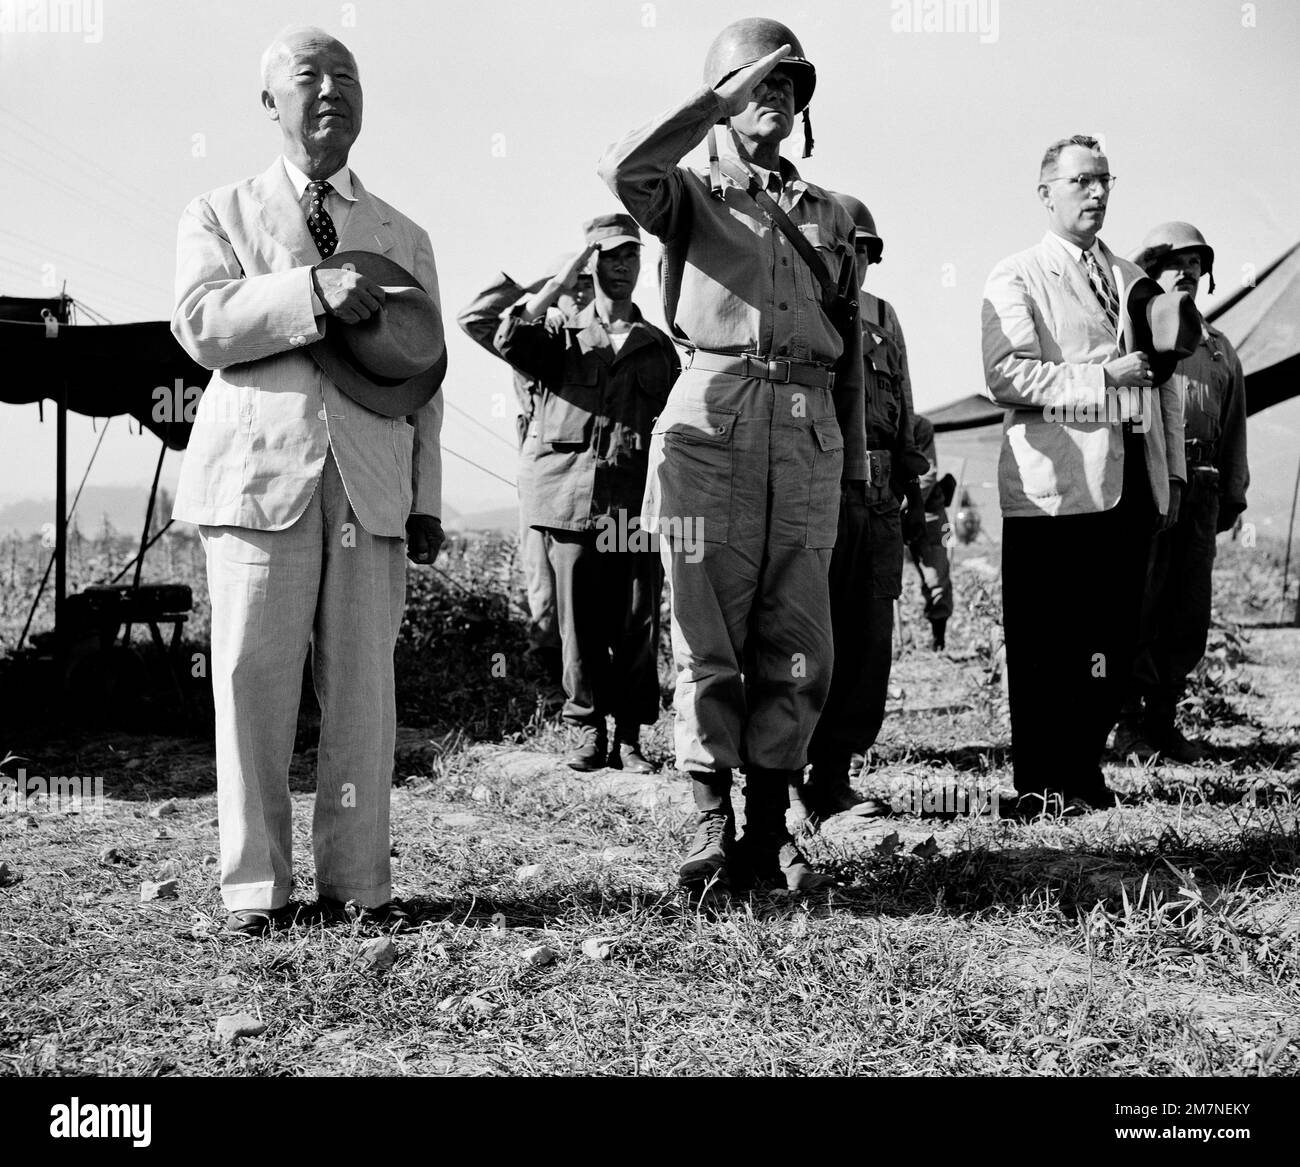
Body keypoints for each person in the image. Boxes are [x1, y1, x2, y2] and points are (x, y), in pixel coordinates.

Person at [171, 27, 446, 934]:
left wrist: (427, 498)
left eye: (349, 76)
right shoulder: (219, 213)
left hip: (370, 487)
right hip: (257, 482)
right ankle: (256, 888)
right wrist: (312, 292)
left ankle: (359, 884)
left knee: (365, 689)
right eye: (311, 76)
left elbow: (424, 379)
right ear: (269, 103)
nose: (333, 90)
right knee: (251, 682)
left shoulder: (405, 235)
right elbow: (203, 322)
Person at [599, 17, 864, 891]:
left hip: (810, 423)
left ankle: (767, 823)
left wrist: (855, 467)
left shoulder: (831, 215)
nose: (780, 94)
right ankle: (708, 818)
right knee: (704, 625)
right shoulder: (686, 193)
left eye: (793, 83)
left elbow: (850, 354)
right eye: (762, 80)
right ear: (723, 94)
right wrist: (709, 105)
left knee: (798, 633)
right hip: (712, 416)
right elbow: (624, 168)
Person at [981, 134, 1185, 818]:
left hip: (1128, 486)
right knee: (1046, 643)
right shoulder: (1016, 276)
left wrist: (1172, 474)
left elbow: (1168, 382)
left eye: (1104, 180)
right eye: (1080, 182)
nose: (1096, 193)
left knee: (1111, 640)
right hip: (1054, 491)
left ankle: (1084, 769)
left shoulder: (1134, 280)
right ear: (1046, 193)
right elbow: (1006, 374)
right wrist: (1103, 378)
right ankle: (1040, 784)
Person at [494, 214, 678, 772]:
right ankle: (586, 732)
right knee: (578, 626)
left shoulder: (658, 347)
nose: (622, 266)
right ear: (590, 263)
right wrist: (560, 277)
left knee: (638, 625)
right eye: (610, 256)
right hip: (572, 504)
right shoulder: (558, 336)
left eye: (630, 256)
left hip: (635, 511)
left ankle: (628, 738)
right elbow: (505, 335)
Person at [799, 193, 926, 824]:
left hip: (876, 501)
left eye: (866, 251)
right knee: (805, 636)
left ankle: (835, 775)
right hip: (819, 491)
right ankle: (787, 774)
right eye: (847, 249)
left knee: (868, 643)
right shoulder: (806, 309)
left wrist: (910, 482)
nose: (858, 261)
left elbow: (901, 400)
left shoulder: (884, 316)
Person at [1115, 222, 1249, 762]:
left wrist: (1231, 495)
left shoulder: (1219, 348)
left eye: (1196, 265)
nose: (1188, 273)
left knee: (1188, 612)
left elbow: (1235, 427)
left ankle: (1163, 721)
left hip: (1203, 487)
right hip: (1148, 484)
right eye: (1176, 264)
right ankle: (1127, 728)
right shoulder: (1131, 334)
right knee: (1137, 606)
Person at [457, 264, 595, 684]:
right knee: (545, 585)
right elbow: (475, 320)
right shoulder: (536, 341)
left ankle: (593, 689)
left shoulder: (615, 340)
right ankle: (553, 684)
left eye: (591, 285)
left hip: (600, 473)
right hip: (542, 473)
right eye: (577, 286)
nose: (584, 295)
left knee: (599, 586)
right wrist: (546, 281)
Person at [907, 412, 954, 651]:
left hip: (929, 512)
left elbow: (928, 473)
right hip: (888, 507)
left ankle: (939, 642)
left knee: (936, 574)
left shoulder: (920, 426)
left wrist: (906, 508)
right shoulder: (872, 419)